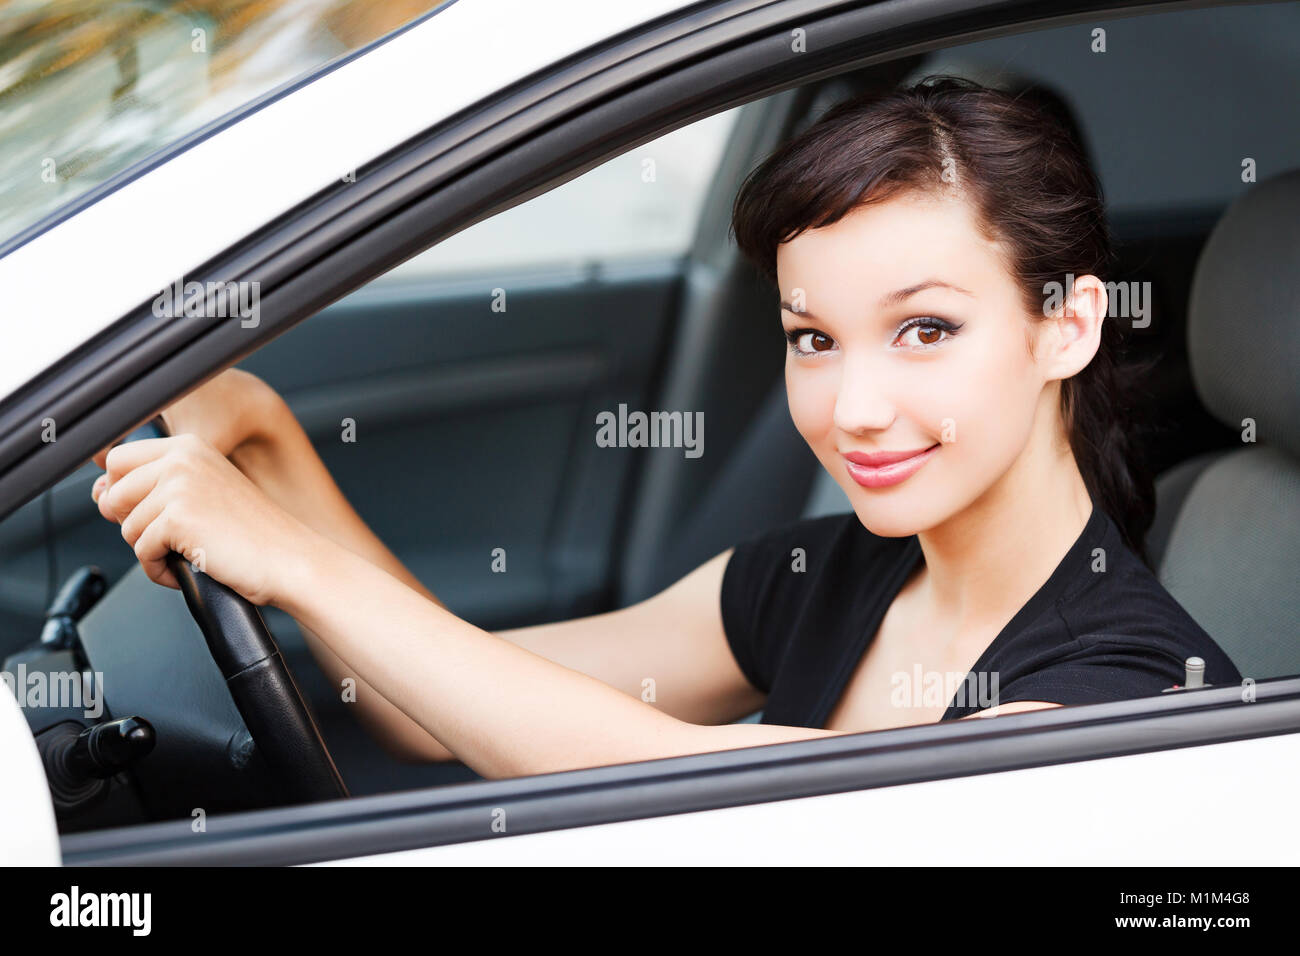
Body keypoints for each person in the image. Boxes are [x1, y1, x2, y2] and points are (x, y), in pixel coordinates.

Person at [89, 76, 1240, 779]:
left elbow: (689, 784)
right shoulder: (818, 572)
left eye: (926, 330)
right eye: (811, 338)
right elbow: (442, 701)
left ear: (1065, 326)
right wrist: (270, 440)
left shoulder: (1128, 699)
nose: (854, 407)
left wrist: (285, 555)